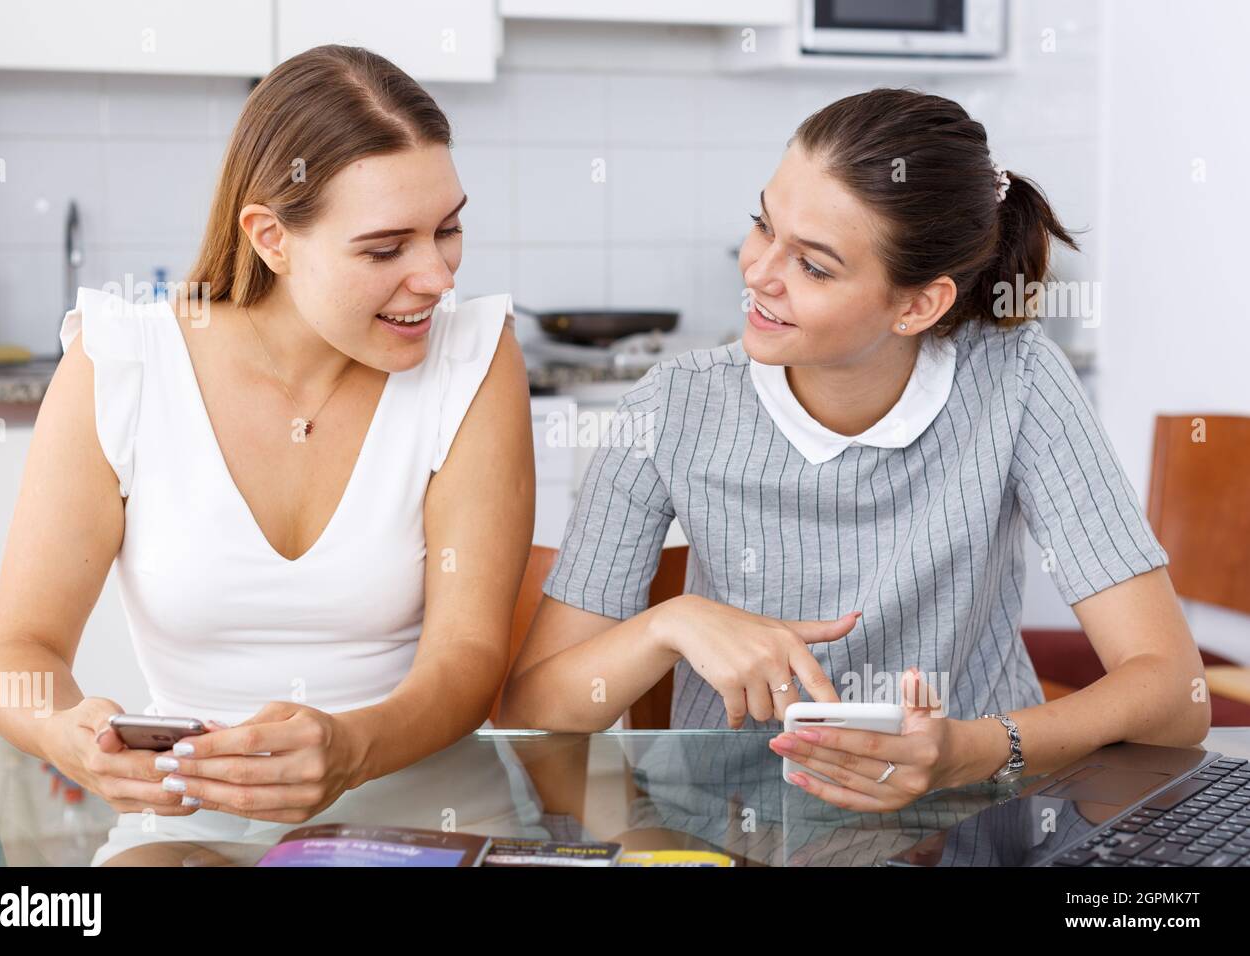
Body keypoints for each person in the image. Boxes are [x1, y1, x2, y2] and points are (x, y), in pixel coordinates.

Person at [500, 88, 1209, 813]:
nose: (758, 273)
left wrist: (973, 749)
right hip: (732, 831)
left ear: (917, 305)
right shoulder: (671, 405)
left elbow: (1175, 696)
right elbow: (531, 711)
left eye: (813, 266)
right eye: (762, 225)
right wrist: (669, 624)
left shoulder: (1017, 379)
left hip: (980, 821)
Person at [0, 45, 534, 838]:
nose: (439, 278)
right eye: (385, 248)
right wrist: (65, 734)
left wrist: (350, 748)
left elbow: (469, 656)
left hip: (422, 807)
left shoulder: (475, 356)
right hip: (188, 815)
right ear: (271, 237)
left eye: (447, 230)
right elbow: (15, 655)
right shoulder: (123, 360)